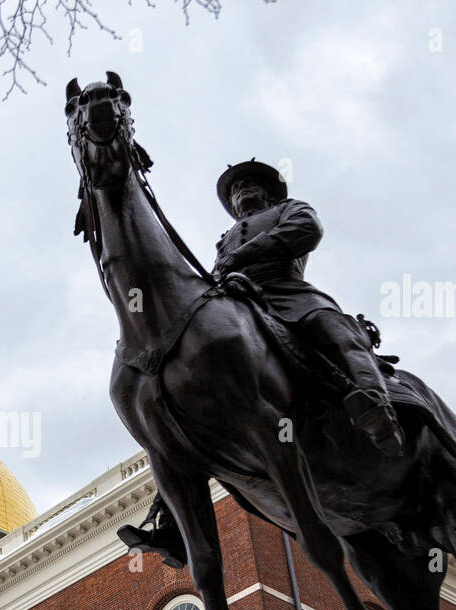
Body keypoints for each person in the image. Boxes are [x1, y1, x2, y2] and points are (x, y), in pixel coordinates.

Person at [119, 160, 402, 568]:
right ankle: (170, 523)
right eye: (235, 190)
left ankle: (377, 407)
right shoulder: (226, 237)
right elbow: (217, 271)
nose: (242, 193)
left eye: (250, 185)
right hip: (238, 300)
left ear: (269, 192)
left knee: (335, 329)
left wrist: (246, 256)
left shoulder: (290, 210)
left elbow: (307, 232)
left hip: (285, 295)